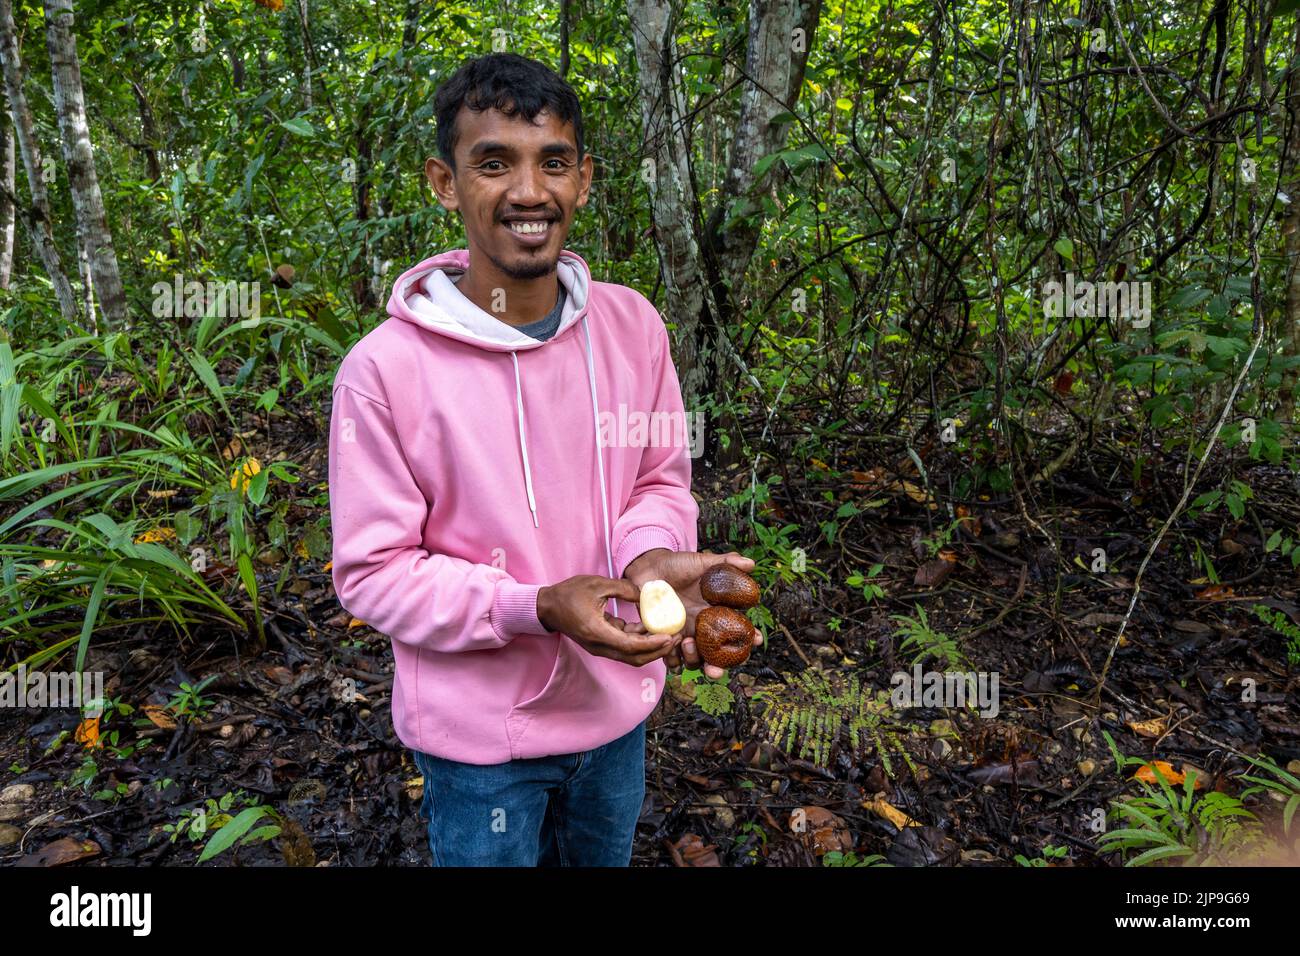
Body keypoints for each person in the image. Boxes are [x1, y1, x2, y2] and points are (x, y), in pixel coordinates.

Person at [327, 53, 762, 867]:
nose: (529, 192)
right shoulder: (383, 372)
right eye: (494, 163)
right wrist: (536, 605)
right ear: (444, 183)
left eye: (552, 162)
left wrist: (652, 559)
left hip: (615, 716)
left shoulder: (634, 329)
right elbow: (373, 572)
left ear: (584, 179)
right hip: (479, 748)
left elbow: (657, 480)